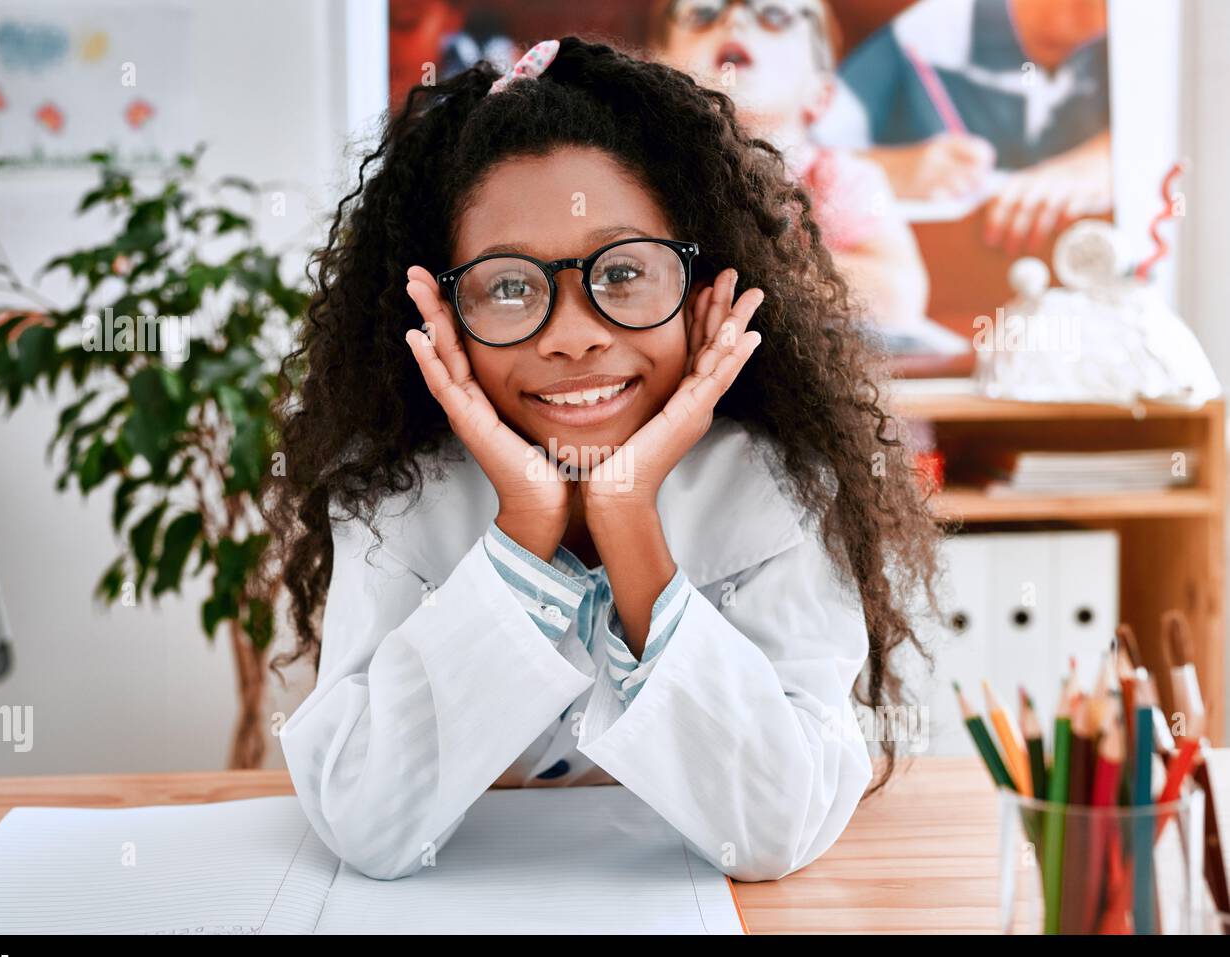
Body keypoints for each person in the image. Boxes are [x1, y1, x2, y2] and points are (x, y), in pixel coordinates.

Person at [263, 37, 938, 883]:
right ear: (438, 308)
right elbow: (366, 819)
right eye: (509, 285)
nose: (573, 333)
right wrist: (524, 534)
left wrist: (625, 518)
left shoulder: (770, 489)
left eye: (623, 273)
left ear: (705, 295)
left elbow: (771, 829)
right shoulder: (397, 495)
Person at [651, 0, 929, 329]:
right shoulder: (644, 173)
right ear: (656, 73)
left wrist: (750, 268)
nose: (735, 19)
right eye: (702, 12)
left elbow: (898, 295)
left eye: (775, 14)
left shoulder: (841, 179)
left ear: (820, 94)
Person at [821, 0, 1111, 255]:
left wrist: (1109, 156)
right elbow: (796, 157)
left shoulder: (1129, 40)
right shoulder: (922, 32)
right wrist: (890, 169)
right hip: (948, 282)